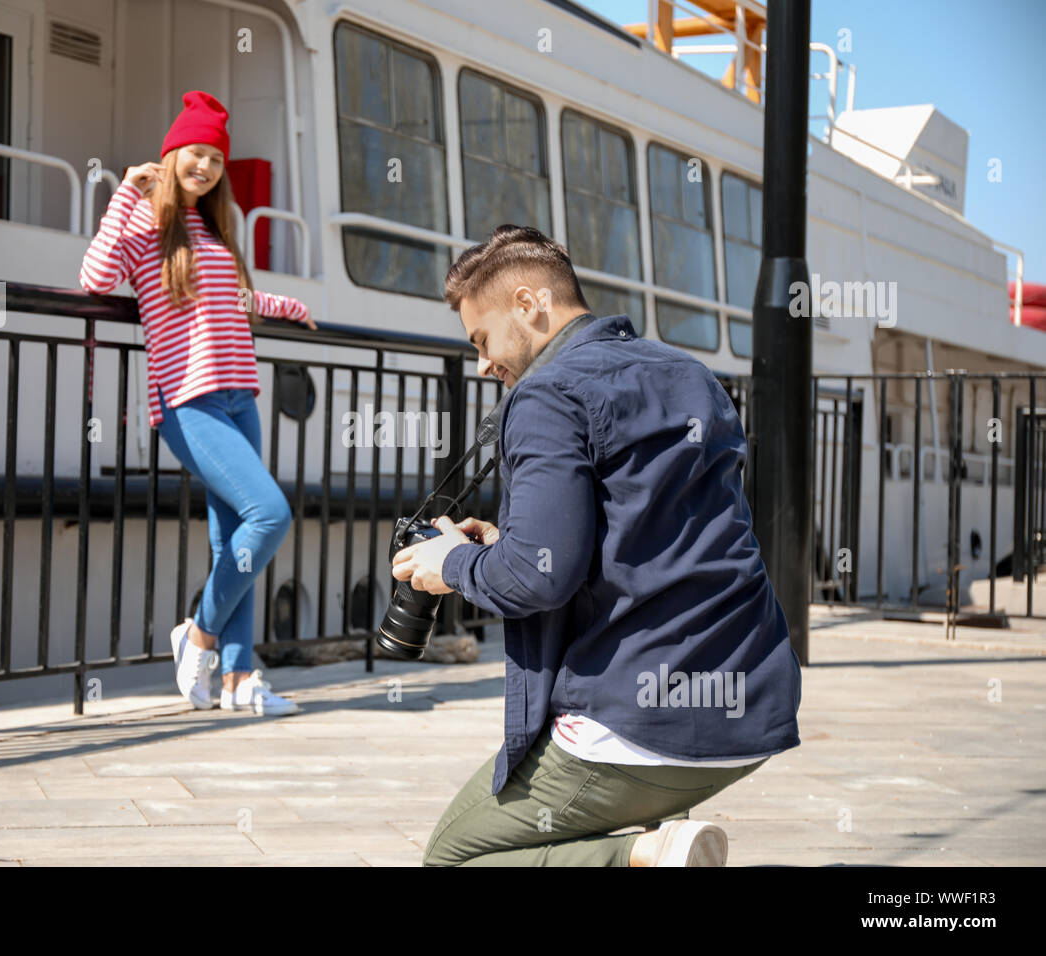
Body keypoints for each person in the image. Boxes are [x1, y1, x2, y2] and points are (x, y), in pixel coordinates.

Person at [391, 224, 802, 866]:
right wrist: (507, 540)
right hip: (750, 704)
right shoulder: (690, 375)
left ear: (530, 305)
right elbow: (646, 531)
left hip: (638, 723)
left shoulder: (545, 394)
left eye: (482, 338)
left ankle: (641, 860)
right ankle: (657, 848)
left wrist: (454, 564)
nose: (482, 363)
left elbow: (535, 580)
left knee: (451, 859)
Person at [80, 90, 315, 717]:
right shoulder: (145, 223)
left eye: (216, 158)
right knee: (270, 515)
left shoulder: (214, 228)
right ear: (171, 153)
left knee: (234, 538)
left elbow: (233, 301)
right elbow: (96, 279)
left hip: (241, 395)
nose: (206, 166)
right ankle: (202, 635)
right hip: (188, 401)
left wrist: (286, 307)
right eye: (195, 153)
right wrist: (126, 193)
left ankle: (240, 680)